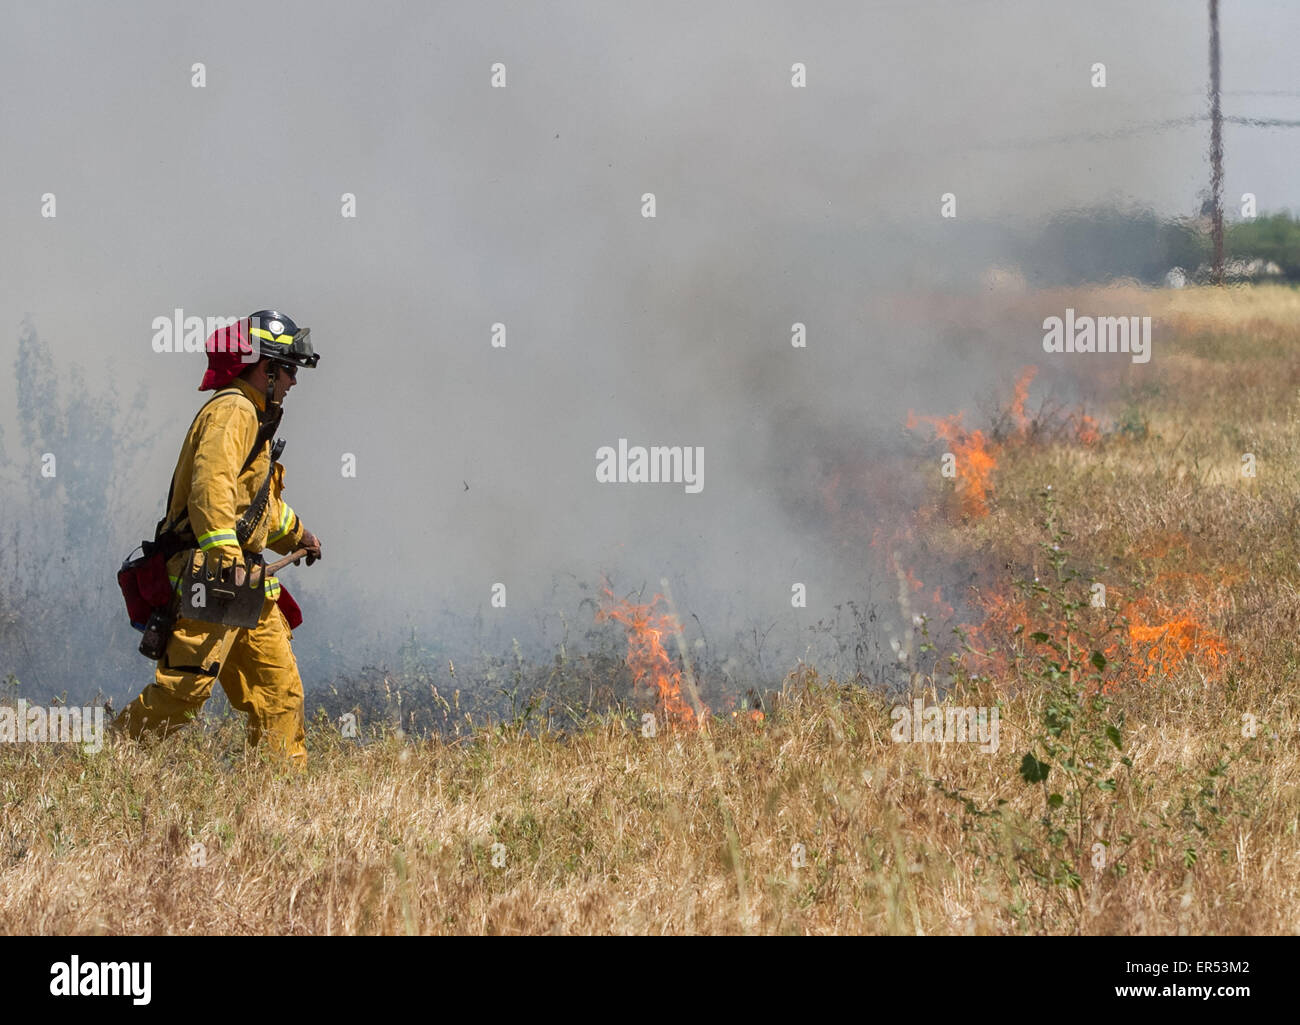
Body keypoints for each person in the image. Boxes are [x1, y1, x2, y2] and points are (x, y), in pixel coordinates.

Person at [115, 311, 323, 769]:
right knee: (183, 693)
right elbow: (211, 488)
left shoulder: (256, 417)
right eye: (288, 369)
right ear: (264, 369)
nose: (293, 381)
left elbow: (256, 506)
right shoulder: (233, 410)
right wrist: (226, 556)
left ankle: (279, 797)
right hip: (214, 575)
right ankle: (106, 763)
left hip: (243, 579)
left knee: (278, 694)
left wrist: (297, 535)